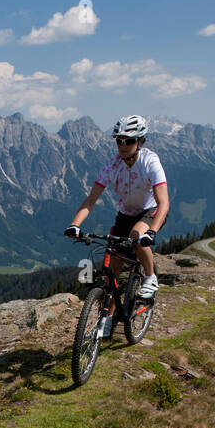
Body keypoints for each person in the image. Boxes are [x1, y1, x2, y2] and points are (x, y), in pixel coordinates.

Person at [64, 115, 169, 299]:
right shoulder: (112, 166)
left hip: (150, 210)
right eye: (119, 141)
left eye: (128, 141)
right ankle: (107, 320)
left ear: (141, 141)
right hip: (125, 215)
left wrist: (151, 232)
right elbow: (90, 200)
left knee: (136, 236)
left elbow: (163, 203)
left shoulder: (150, 162)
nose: (123, 145)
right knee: (110, 275)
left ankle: (150, 278)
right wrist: (75, 225)